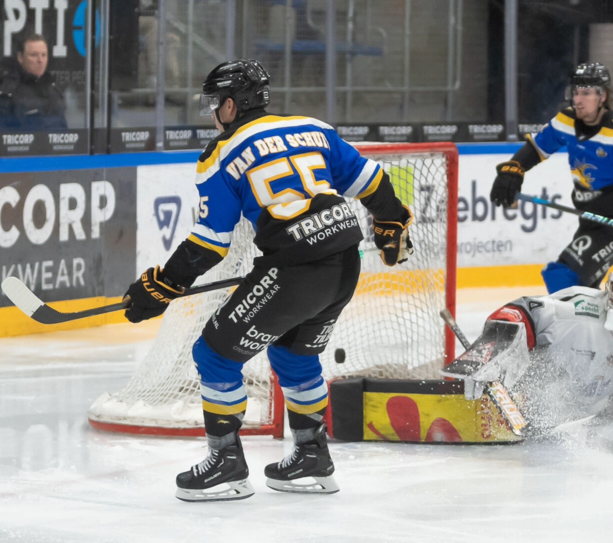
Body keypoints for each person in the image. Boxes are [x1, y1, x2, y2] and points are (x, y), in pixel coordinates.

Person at [122, 59, 414, 502]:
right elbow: (372, 181)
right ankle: (312, 456)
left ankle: (226, 465)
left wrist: (160, 285)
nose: (213, 112)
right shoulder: (313, 128)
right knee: (294, 356)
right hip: (344, 262)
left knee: (214, 355)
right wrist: (392, 223)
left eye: (216, 104)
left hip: (295, 270)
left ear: (233, 105)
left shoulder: (221, 154)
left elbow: (208, 244)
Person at [489, 62, 613, 293]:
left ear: (602, 96)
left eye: (585, 93)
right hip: (590, 220)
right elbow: (537, 148)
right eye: (575, 92)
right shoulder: (566, 121)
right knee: (584, 290)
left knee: (563, 277)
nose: (578, 99)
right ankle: (600, 328)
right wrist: (513, 168)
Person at [446, 259, 613, 436]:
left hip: (574, 420)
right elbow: (522, 311)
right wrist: (493, 348)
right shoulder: (580, 306)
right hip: (528, 403)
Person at [0, 34, 67, 130]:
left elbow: (64, 132)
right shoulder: (9, 90)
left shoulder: (53, 88)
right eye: (34, 55)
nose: (40, 60)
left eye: (44, 55)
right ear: (20, 57)